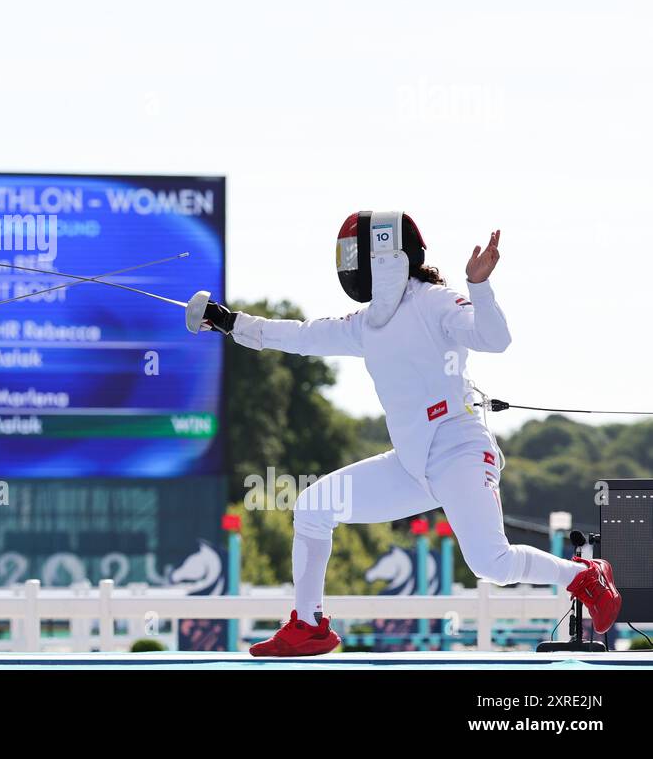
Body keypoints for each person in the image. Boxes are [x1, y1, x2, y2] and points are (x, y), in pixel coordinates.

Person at [191, 211, 620, 657]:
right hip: (412, 463)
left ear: (386, 257)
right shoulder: (365, 325)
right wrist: (229, 322)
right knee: (313, 506)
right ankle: (308, 625)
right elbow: (299, 336)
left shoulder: (435, 301)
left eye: (357, 255)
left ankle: (584, 575)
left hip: (460, 450)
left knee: (490, 563)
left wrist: (479, 286)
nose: (351, 265)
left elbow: (495, 339)